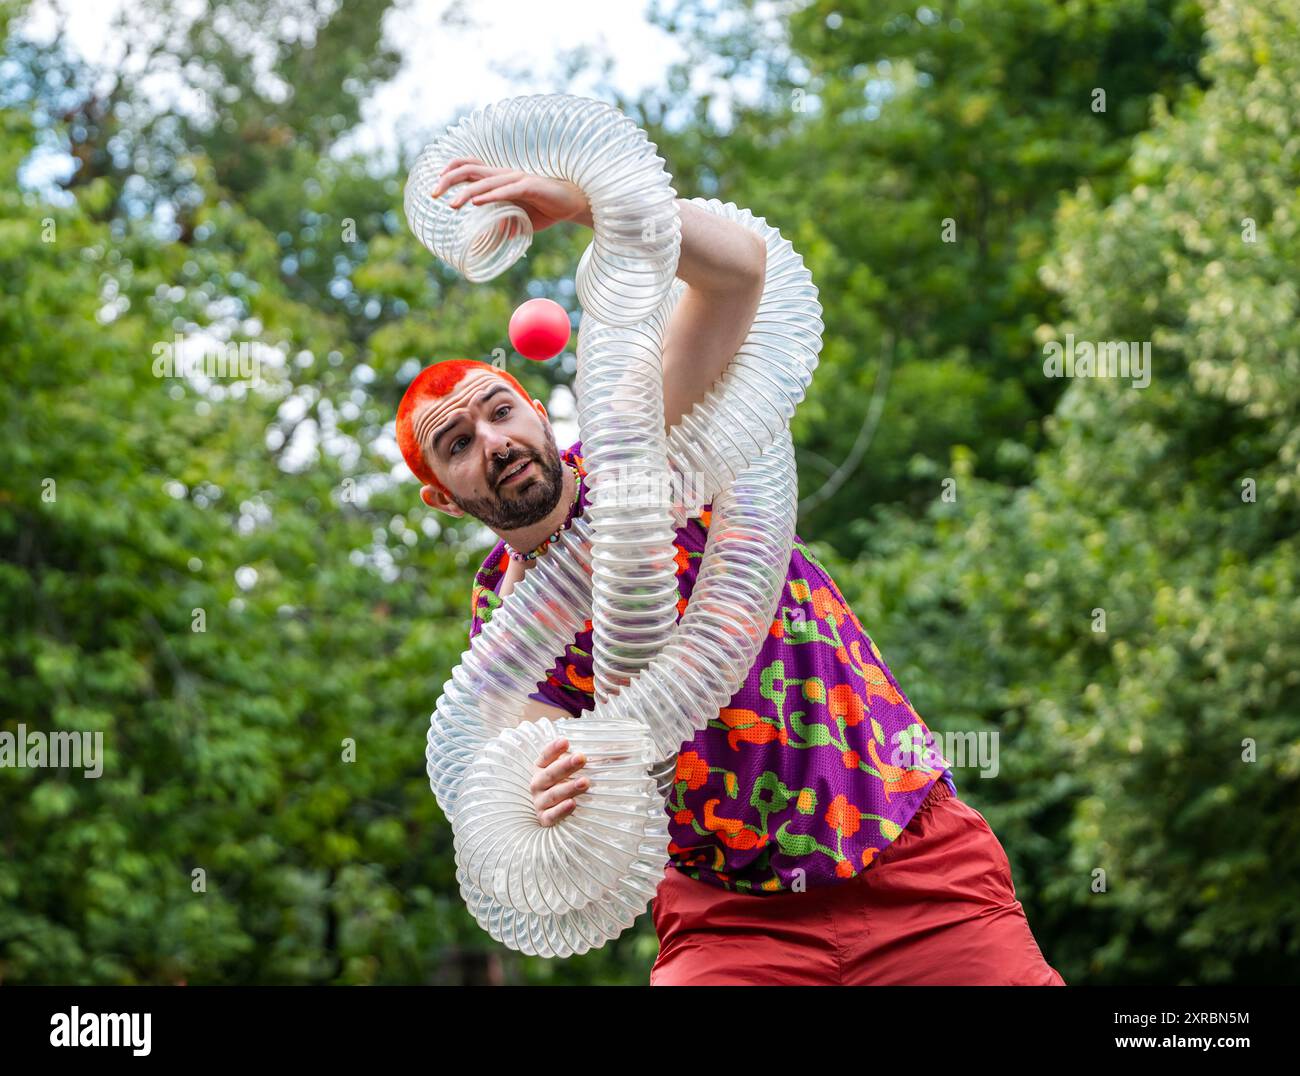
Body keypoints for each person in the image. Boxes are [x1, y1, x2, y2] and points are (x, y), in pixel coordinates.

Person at [396, 158, 1066, 986]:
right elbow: (516, 779)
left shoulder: (646, 441)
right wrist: (549, 797)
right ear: (443, 498)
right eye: (457, 443)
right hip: (734, 920)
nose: (492, 442)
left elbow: (741, 273)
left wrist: (592, 202)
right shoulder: (507, 625)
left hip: (910, 859)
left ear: (538, 410)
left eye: (500, 411)